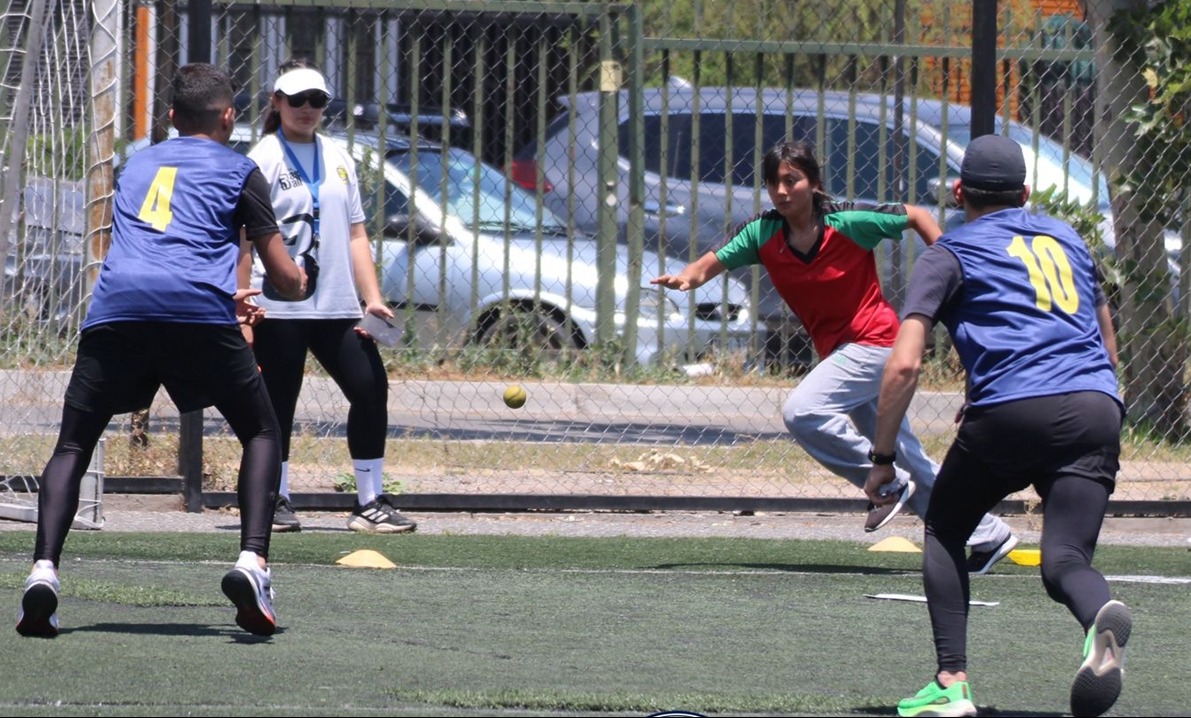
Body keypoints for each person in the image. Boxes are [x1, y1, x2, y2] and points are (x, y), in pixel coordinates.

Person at [15, 63, 307, 638]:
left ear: (171, 118)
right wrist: (297, 283)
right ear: (229, 117)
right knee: (262, 431)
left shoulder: (136, 163)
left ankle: (43, 570)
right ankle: (252, 561)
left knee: (74, 441)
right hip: (196, 313)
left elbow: (163, 240)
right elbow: (284, 275)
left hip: (118, 308)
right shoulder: (243, 170)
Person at [650, 140, 1016, 568]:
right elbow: (707, 264)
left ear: (814, 183)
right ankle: (989, 534)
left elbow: (916, 215)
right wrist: (686, 279)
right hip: (845, 353)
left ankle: (885, 481)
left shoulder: (847, 221)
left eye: (792, 180)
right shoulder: (763, 232)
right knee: (911, 461)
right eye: (773, 183)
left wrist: (951, 261)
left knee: (802, 411)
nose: (782, 191)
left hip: (877, 344)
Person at [864, 134, 1129, 718]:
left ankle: (951, 684)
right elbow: (1107, 348)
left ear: (959, 192)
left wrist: (883, 458)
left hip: (1012, 409)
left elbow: (904, 364)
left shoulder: (949, 253)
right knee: (1065, 560)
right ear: (1026, 194)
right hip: (1094, 407)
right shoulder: (1070, 239)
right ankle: (1097, 618)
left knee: (946, 529)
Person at [240, 59, 415, 535]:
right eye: (296, 100)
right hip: (279, 304)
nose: (307, 109)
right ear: (276, 102)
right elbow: (245, 236)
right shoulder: (263, 157)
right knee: (279, 401)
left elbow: (356, 232)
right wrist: (243, 302)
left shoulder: (338, 156)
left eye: (317, 100)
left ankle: (369, 500)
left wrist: (372, 297)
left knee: (369, 388)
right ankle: (275, 497)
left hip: (336, 303)